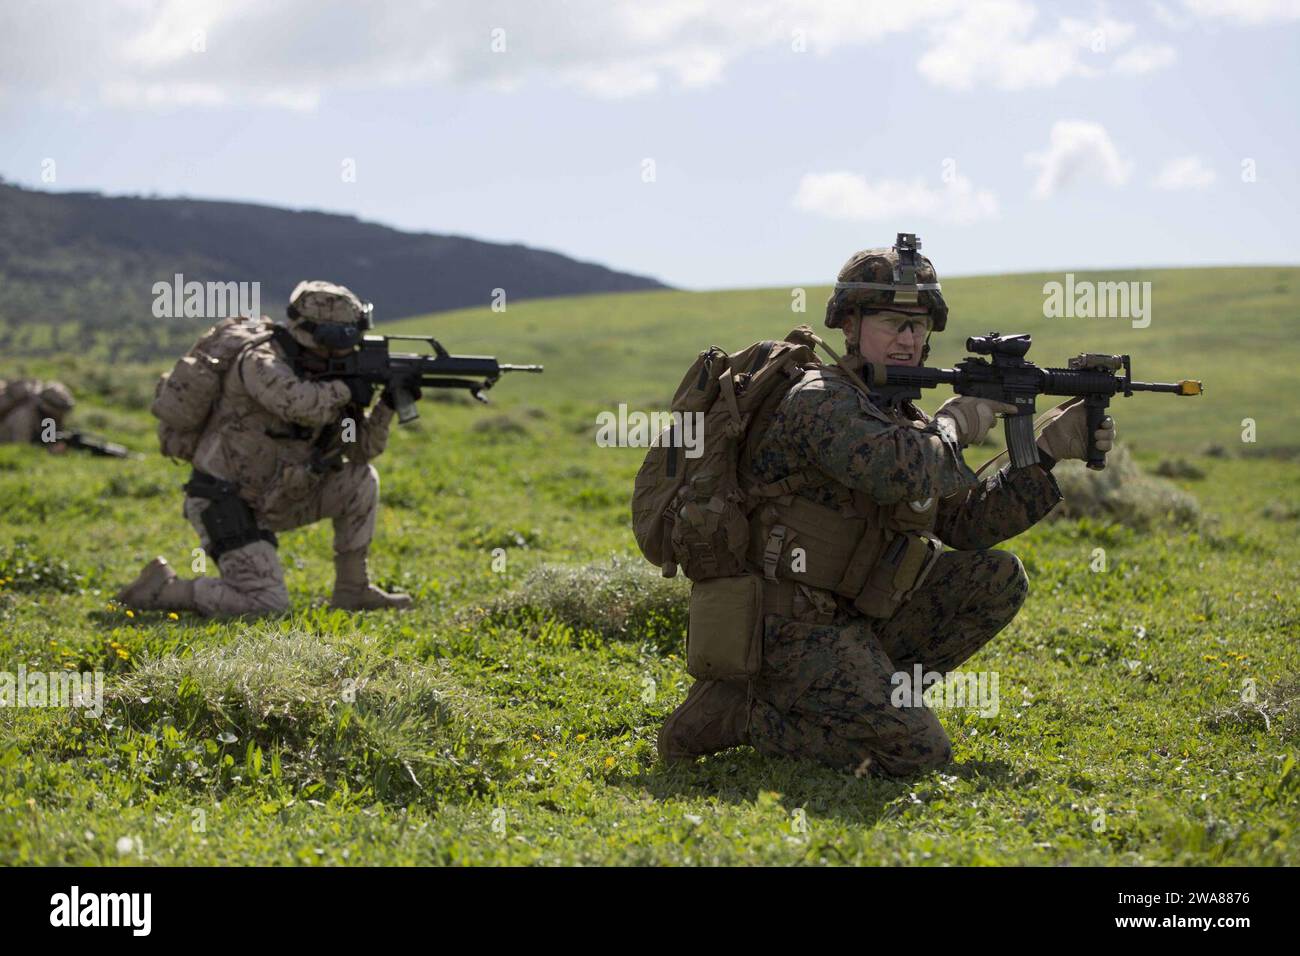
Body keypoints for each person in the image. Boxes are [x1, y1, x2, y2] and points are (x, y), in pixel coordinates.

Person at [657, 235, 1115, 775]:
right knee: (917, 755)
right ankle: (748, 714)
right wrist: (955, 425)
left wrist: (1044, 451)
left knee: (995, 578)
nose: (907, 338)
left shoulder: (905, 421)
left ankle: (857, 693)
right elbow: (900, 469)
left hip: (855, 621)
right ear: (849, 326)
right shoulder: (819, 398)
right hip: (784, 627)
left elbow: (964, 524)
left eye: (918, 325)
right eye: (889, 322)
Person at [118, 281, 413, 615]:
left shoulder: (332, 375)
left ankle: (353, 590)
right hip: (226, 501)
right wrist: (348, 388)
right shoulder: (260, 359)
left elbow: (360, 450)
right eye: (344, 337)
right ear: (318, 336)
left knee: (360, 479)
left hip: (282, 494)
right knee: (265, 604)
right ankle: (164, 591)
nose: (352, 346)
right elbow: (298, 404)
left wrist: (388, 401)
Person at [0, 379, 75, 449]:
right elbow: (21, 448)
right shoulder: (23, 416)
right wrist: (49, 450)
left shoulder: (47, 416)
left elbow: (50, 437)